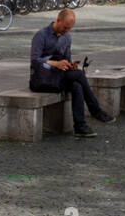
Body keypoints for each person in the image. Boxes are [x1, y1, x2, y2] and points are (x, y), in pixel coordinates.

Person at [29, 9, 114, 139]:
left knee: (77, 85)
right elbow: (35, 61)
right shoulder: (41, 35)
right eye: (65, 27)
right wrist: (54, 63)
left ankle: (80, 126)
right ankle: (95, 110)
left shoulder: (66, 37)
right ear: (58, 20)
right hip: (42, 79)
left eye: (69, 28)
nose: (66, 31)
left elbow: (66, 59)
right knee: (79, 75)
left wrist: (70, 65)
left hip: (59, 77)